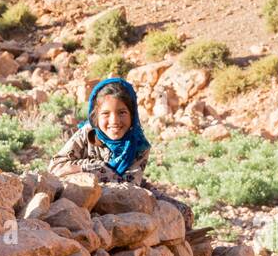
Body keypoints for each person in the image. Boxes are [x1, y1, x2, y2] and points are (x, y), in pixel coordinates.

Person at [48, 76, 194, 230]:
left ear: (133, 115)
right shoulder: (88, 135)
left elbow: (130, 186)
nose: (114, 121)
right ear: (95, 116)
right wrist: (91, 167)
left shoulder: (138, 145)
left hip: (126, 193)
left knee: (183, 212)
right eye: (106, 114)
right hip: (86, 192)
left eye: (122, 112)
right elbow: (55, 166)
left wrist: (99, 171)